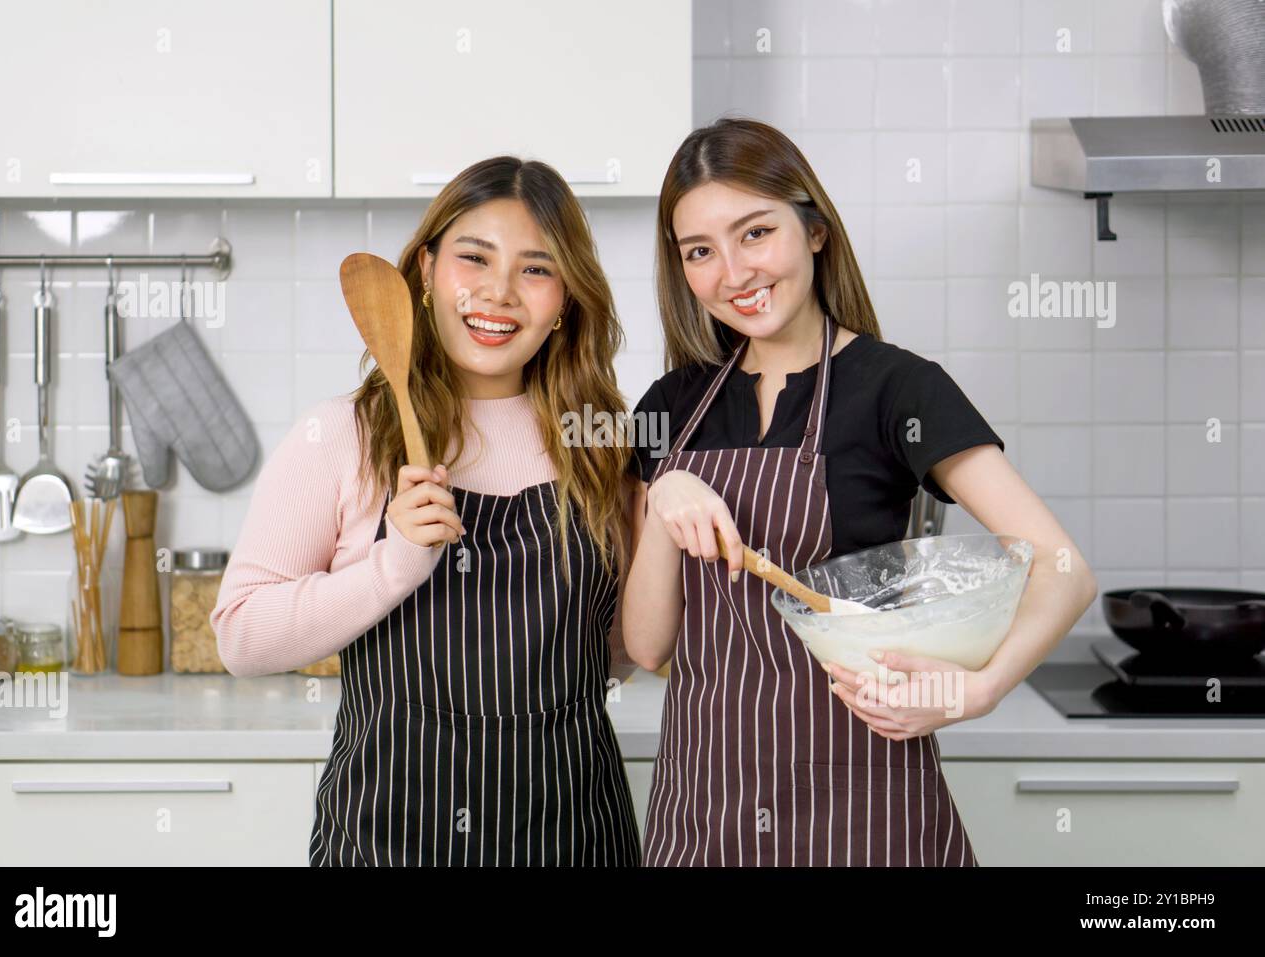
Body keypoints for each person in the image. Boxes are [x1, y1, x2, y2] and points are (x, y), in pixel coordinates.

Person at [622, 118, 1097, 867]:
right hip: (707, 806)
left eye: (755, 233)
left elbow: (1063, 567)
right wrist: (665, 493)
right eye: (700, 252)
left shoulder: (896, 387)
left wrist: (980, 690)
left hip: (867, 809)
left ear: (813, 230)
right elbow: (648, 646)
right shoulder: (670, 405)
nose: (733, 272)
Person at [212, 156, 641, 867]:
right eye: (474, 257)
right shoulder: (345, 435)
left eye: (536, 269)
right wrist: (392, 566)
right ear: (425, 270)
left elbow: (617, 653)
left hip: (574, 837)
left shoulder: (597, 447)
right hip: (388, 841)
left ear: (565, 299)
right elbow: (239, 636)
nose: (498, 293)